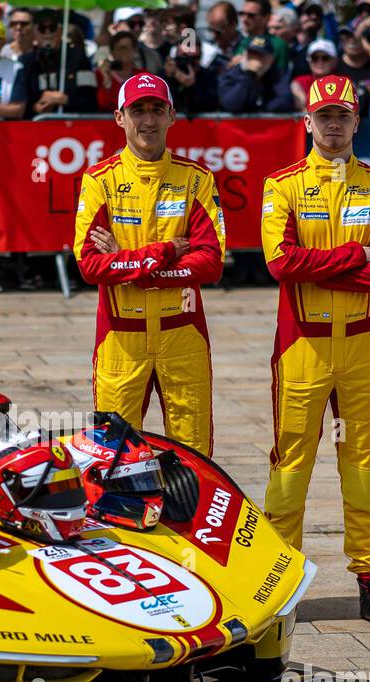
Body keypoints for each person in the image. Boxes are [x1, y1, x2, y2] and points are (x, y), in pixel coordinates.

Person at [260, 75, 370, 632]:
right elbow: (280, 264)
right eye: (322, 116)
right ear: (307, 122)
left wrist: (321, 261)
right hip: (301, 343)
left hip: (363, 345)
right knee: (291, 468)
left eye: (342, 116)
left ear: (356, 122)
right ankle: (274, 591)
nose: (332, 125)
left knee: (363, 467)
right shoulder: (281, 186)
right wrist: (356, 253)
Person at [73, 72, 225, 456]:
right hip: (120, 340)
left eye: (157, 109)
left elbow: (211, 262)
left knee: (193, 456)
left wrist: (133, 268)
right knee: (113, 456)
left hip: (184, 335)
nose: (148, 120)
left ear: (172, 116)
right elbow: (91, 267)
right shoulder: (99, 180)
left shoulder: (197, 179)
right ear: (119, 117)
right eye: (137, 109)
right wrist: (167, 251)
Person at [13, 8, 98, 114]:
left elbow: (91, 101)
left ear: (60, 30)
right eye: (42, 28)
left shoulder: (78, 58)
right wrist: (35, 108)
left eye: (52, 27)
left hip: (72, 125)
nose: (47, 33)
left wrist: (65, 99)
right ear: (35, 32)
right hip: (38, 127)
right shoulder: (26, 61)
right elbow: (18, 104)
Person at [218, 33, 293, 110]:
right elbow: (231, 104)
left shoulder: (277, 75)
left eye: (260, 55)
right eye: (251, 55)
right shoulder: (232, 74)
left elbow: (285, 100)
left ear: (270, 59)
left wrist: (260, 111)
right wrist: (249, 75)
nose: (255, 60)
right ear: (244, 55)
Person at [240, 0, 289, 72]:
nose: (245, 19)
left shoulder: (278, 45)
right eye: (242, 14)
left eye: (251, 15)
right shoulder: (242, 41)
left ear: (266, 18)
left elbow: (280, 78)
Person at [292, 36, 335, 109]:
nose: (320, 62)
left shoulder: (345, 82)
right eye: (314, 58)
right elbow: (302, 108)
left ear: (334, 60)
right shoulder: (299, 83)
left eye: (325, 58)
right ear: (308, 61)